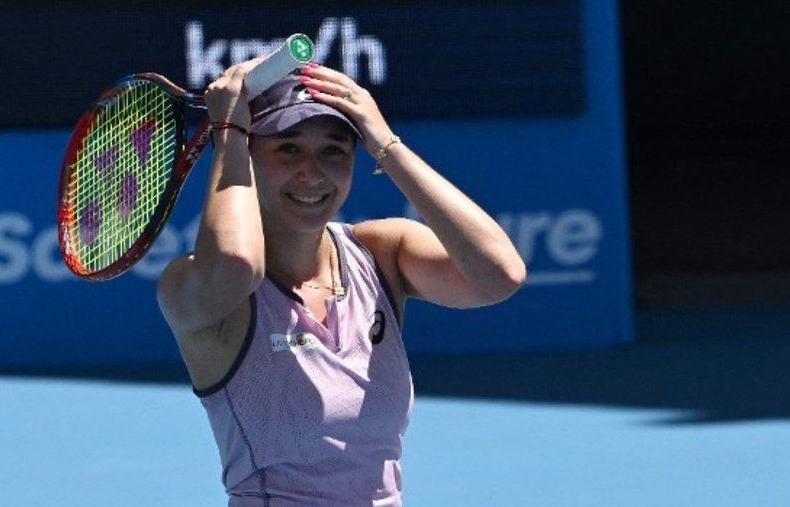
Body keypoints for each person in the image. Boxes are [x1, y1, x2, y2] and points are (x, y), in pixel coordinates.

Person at [156, 59, 526, 506]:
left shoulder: (382, 252)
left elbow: (499, 275)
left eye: (334, 150)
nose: (312, 172)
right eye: (288, 149)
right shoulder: (196, 284)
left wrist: (386, 142)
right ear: (249, 156)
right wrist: (229, 134)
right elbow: (237, 263)